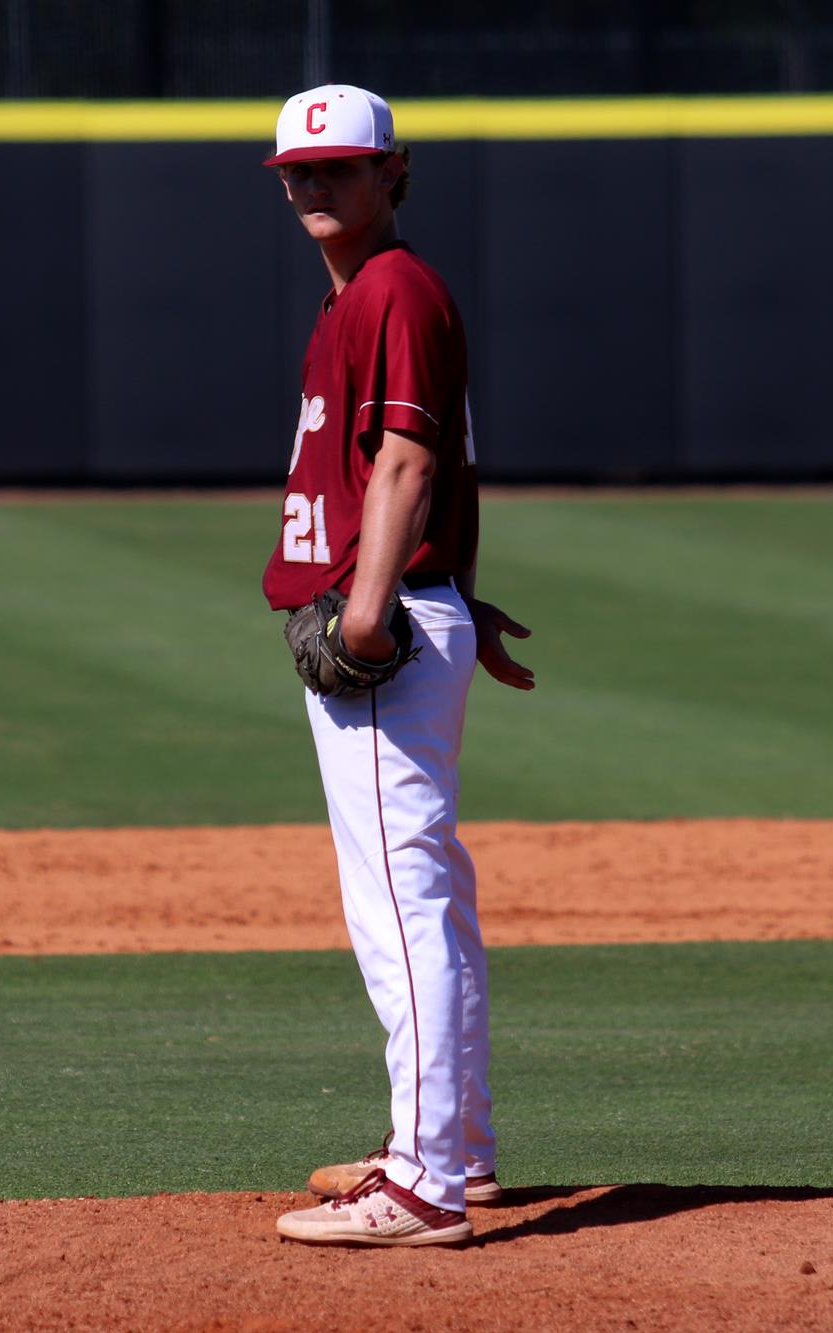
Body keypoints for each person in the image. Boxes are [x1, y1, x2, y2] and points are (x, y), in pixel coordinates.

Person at [259, 85, 536, 1248]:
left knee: (401, 899)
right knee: (421, 892)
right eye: (298, 171)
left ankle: (421, 1184)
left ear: (392, 173)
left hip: (386, 630)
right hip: (414, 608)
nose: (316, 186)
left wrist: (376, 613)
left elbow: (409, 462)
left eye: (340, 167)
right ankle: (450, 1149)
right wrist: (446, 595)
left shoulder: (393, 291)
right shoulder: (364, 296)